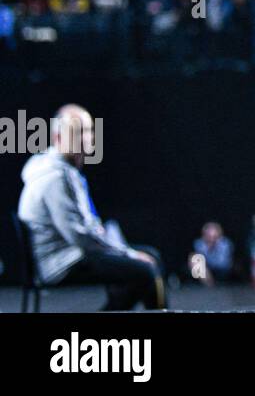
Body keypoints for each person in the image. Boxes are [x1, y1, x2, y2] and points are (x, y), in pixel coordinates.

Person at [17, 104, 167, 310]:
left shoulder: (66, 171)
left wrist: (120, 250)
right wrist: (126, 253)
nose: (88, 138)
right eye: (79, 132)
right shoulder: (54, 177)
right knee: (146, 269)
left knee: (151, 256)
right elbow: (80, 236)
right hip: (63, 263)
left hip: (75, 254)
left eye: (89, 130)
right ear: (58, 138)